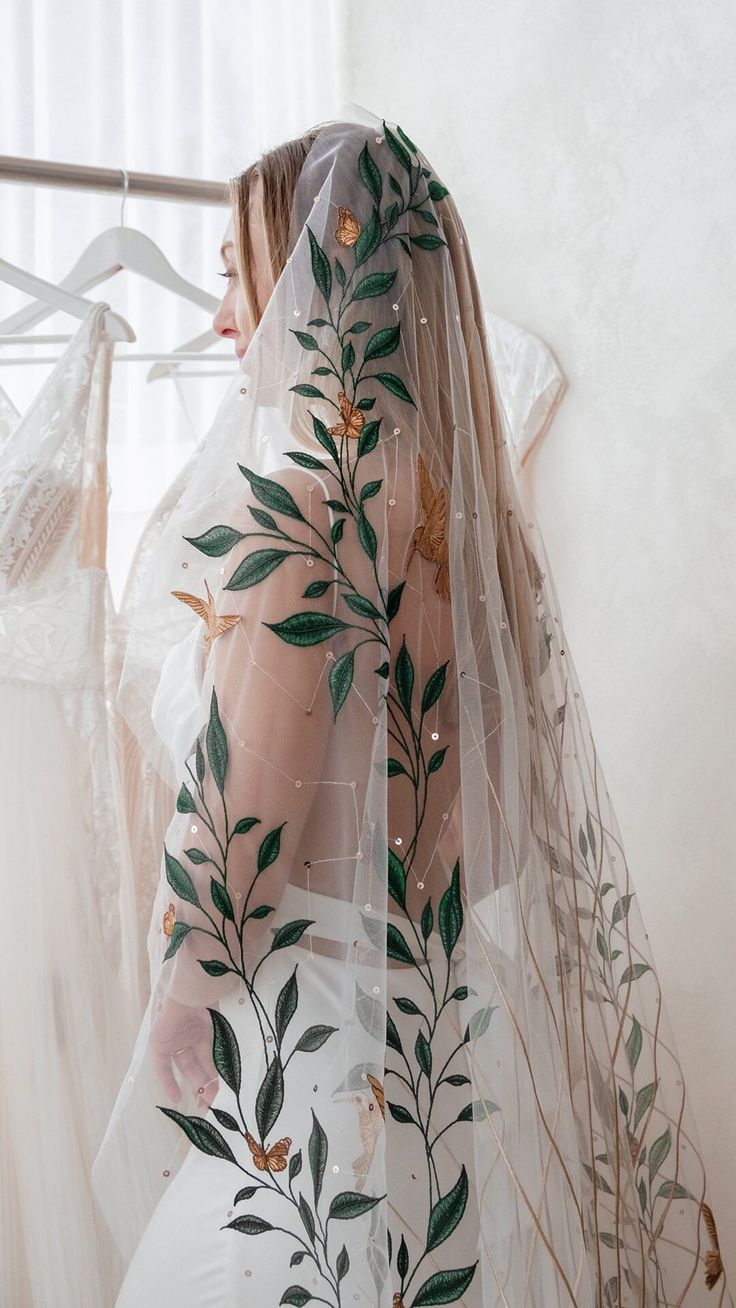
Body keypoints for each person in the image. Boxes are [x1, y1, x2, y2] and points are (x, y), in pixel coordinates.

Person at [94, 104, 732, 1308]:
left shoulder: (299, 518)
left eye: (243, 277)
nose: (223, 318)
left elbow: (250, 828)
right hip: (446, 1037)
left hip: (316, 1044)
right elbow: (476, 830)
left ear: (311, 279)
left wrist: (184, 996)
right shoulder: (468, 517)